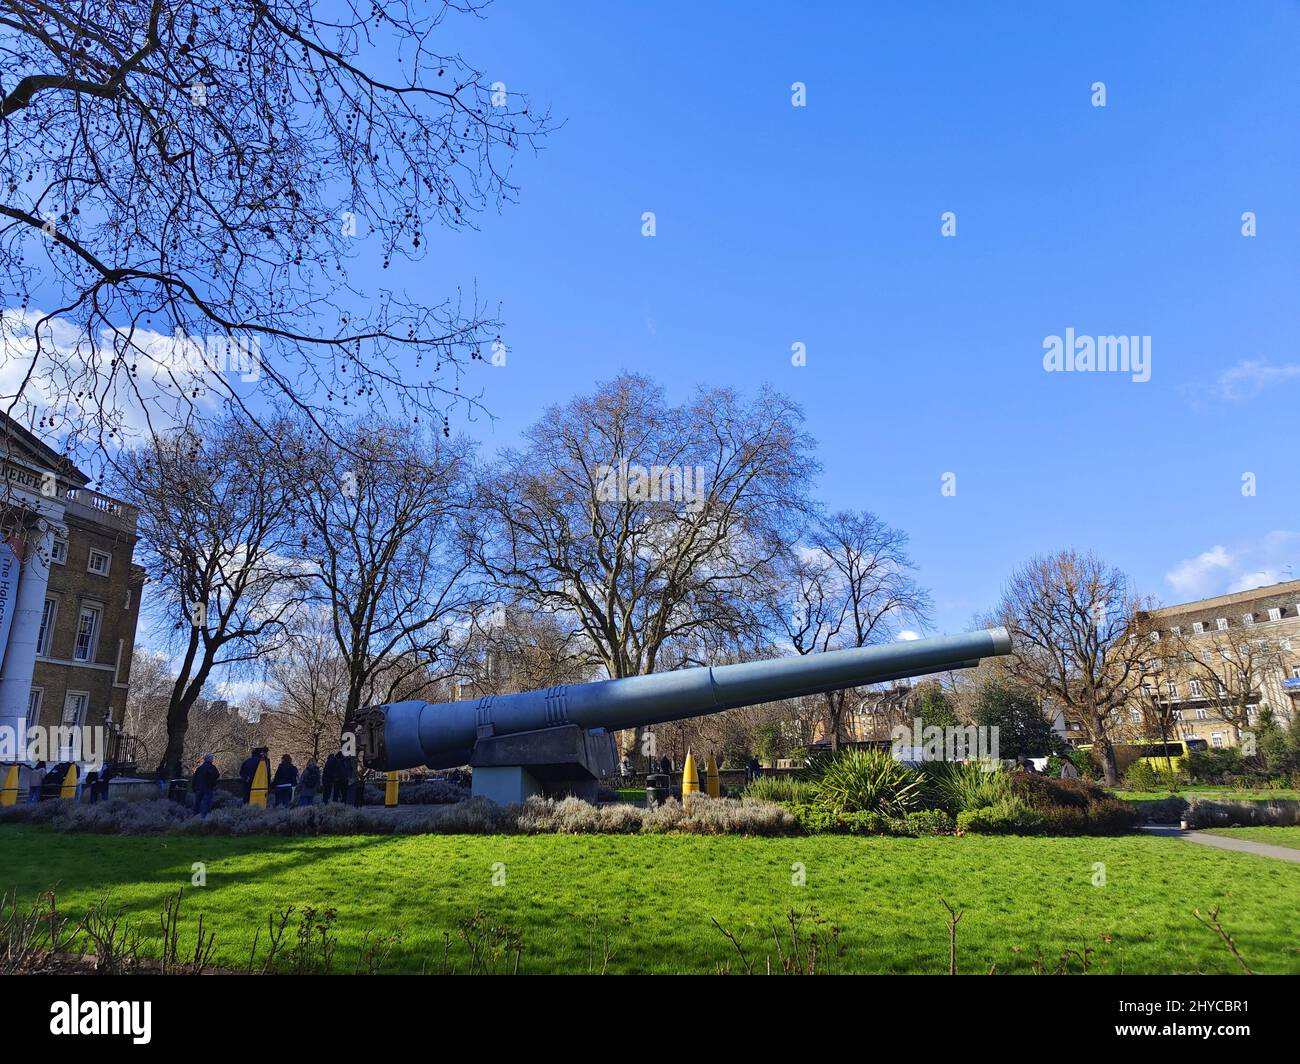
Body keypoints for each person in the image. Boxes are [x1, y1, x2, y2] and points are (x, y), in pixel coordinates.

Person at [191, 754, 220, 818]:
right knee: (205, 805)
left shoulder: (199, 768)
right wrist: (213, 784)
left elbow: (194, 779)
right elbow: (217, 775)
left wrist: (194, 788)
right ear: (211, 760)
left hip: (198, 788)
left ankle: (195, 818)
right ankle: (203, 819)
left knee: (197, 804)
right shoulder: (212, 767)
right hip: (208, 788)